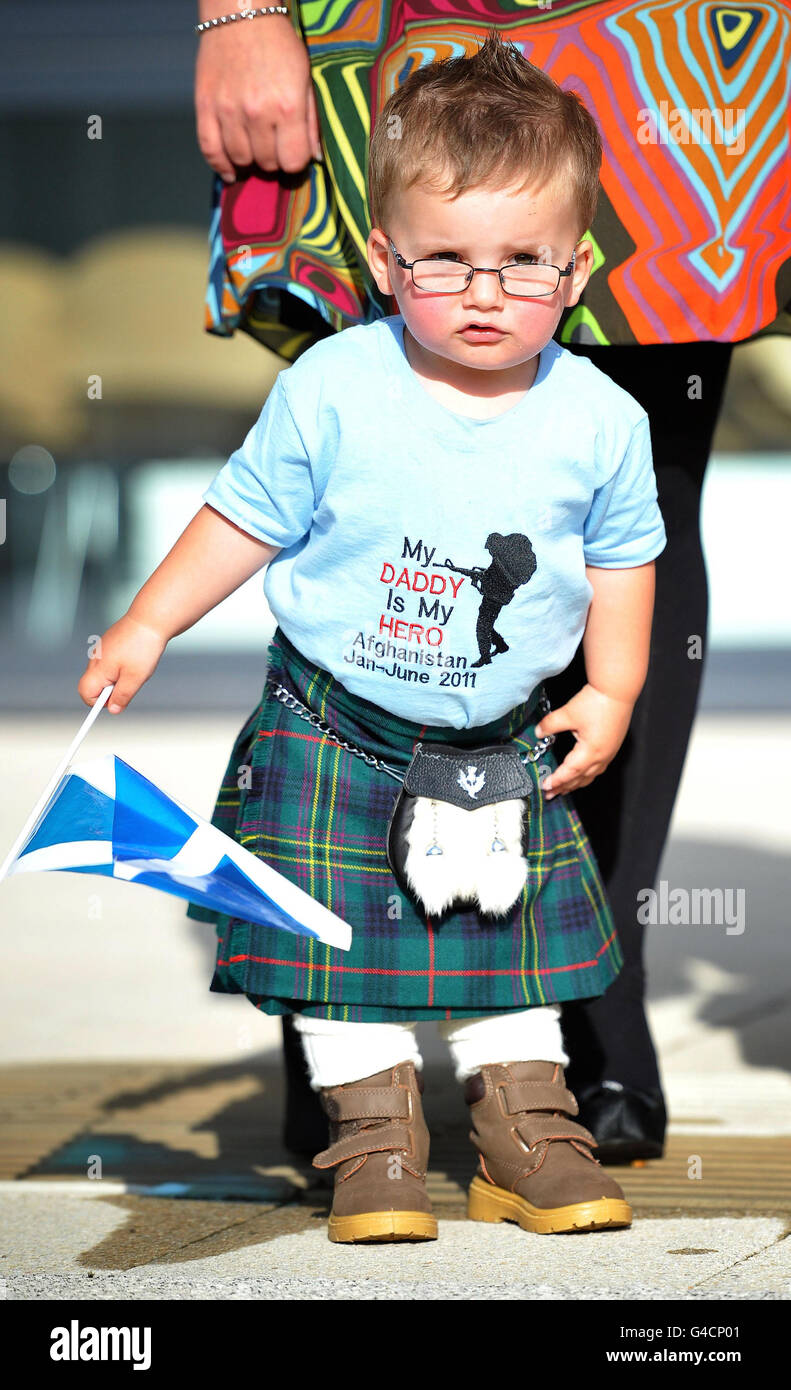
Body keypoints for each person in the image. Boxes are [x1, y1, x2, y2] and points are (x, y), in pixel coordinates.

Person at [81, 32, 667, 1240]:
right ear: (383, 258)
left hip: (495, 736)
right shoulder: (334, 386)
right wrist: (145, 620)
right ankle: (374, 1140)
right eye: (446, 261)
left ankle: (523, 1128)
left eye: (521, 261)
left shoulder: (599, 415)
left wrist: (610, 691)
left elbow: (625, 559)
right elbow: (240, 518)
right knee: (331, 940)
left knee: (505, 946)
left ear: (574, 266)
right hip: (332, 725)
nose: (485, 290)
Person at [192, 0, 791, 1163]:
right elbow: (258, 507)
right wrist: (241, 6)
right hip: (386, 12)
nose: (491, 284)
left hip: (675, 32)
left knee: (642, 483)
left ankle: (591, 982)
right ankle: (335, 998)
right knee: (362, 438)